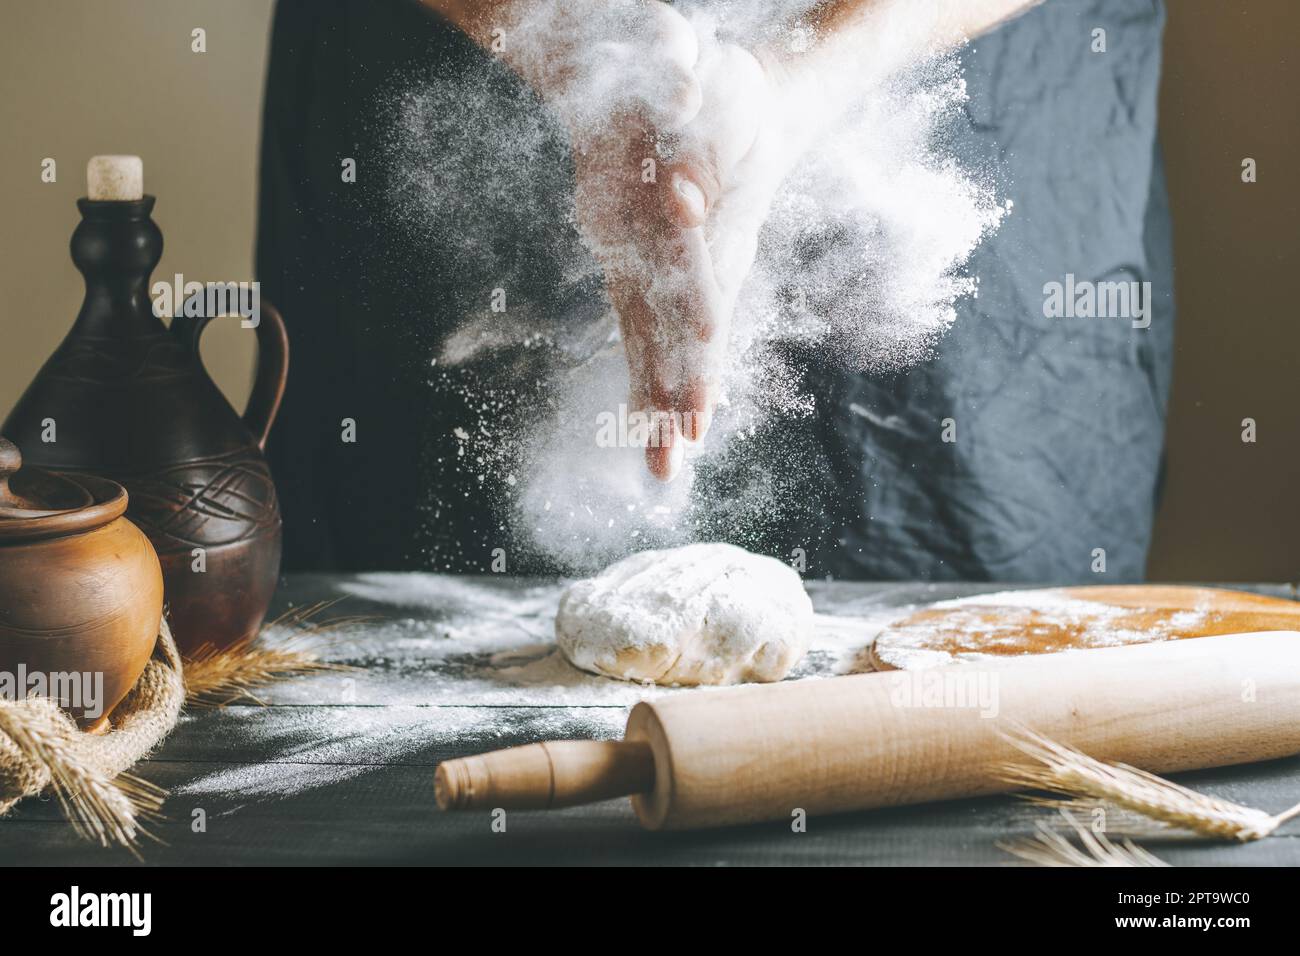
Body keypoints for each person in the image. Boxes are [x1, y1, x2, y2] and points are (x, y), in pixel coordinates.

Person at [257, 0, 1173, 580]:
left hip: (968, 63)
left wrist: (812, 68)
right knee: (406, 715)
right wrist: (559, 33)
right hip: (446, 52)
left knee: (943, 721)